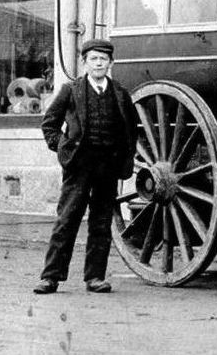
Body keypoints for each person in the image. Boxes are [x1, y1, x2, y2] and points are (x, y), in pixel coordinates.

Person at [34, 39, 138, 295]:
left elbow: (131, 131)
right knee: (67, 220)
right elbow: (49, 124)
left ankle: (95, 277)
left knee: (102, 223)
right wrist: (64, 148)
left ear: (111, 63)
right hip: (79, 167)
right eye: (93, 59)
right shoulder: (71, 91)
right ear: (84, 63)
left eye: (103, 59)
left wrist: (122, 160)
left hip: (107, 168)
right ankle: (51, 277)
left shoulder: (121, 94)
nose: (99, 63)